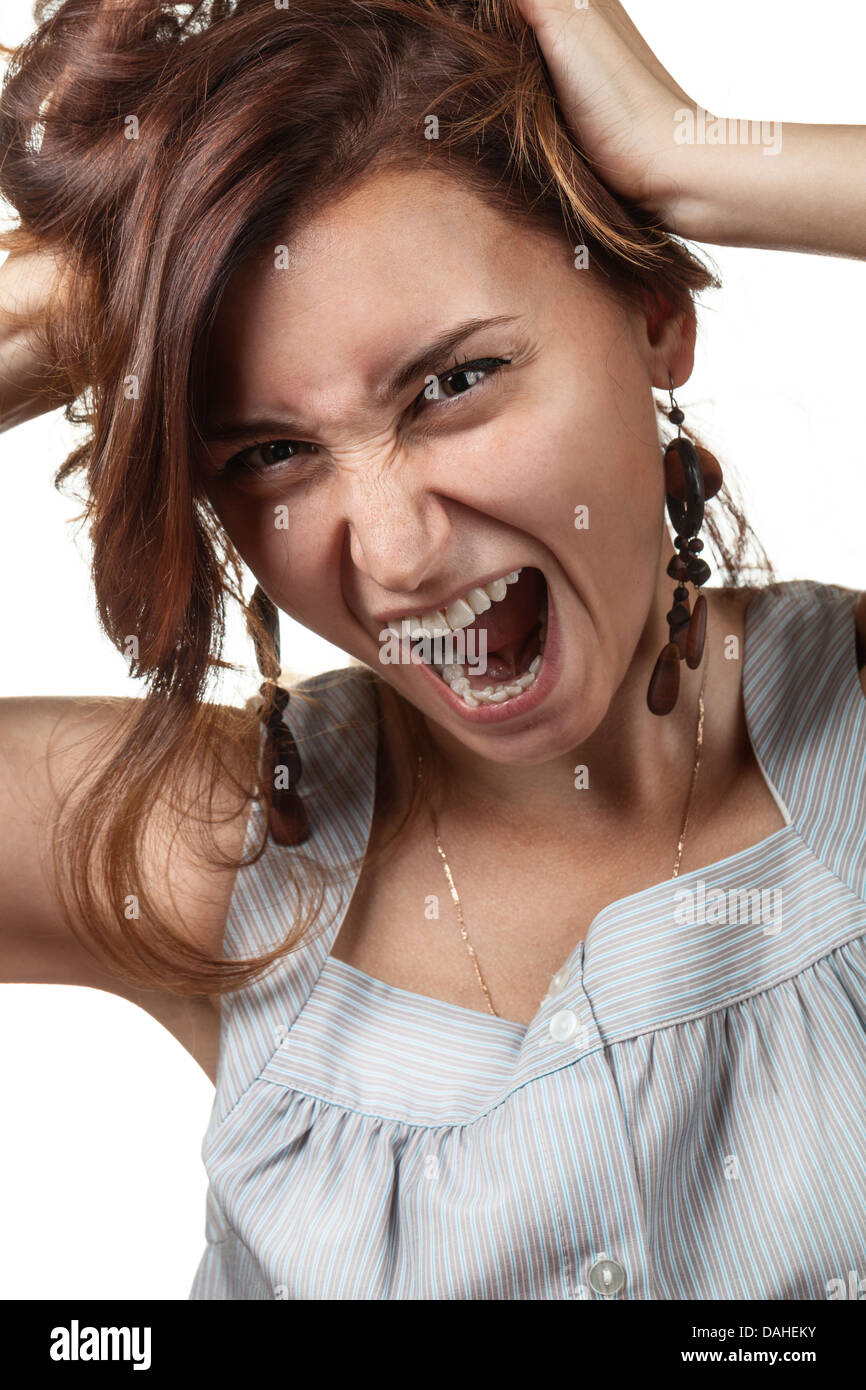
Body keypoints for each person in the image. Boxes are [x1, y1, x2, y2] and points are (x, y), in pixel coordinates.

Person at [1, 0, 864, 1301]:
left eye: (451, 384)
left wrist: (695, 157)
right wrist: (93, 288)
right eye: (272, 453)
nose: (393, 554)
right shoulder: (209, 857)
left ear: (651, 310)